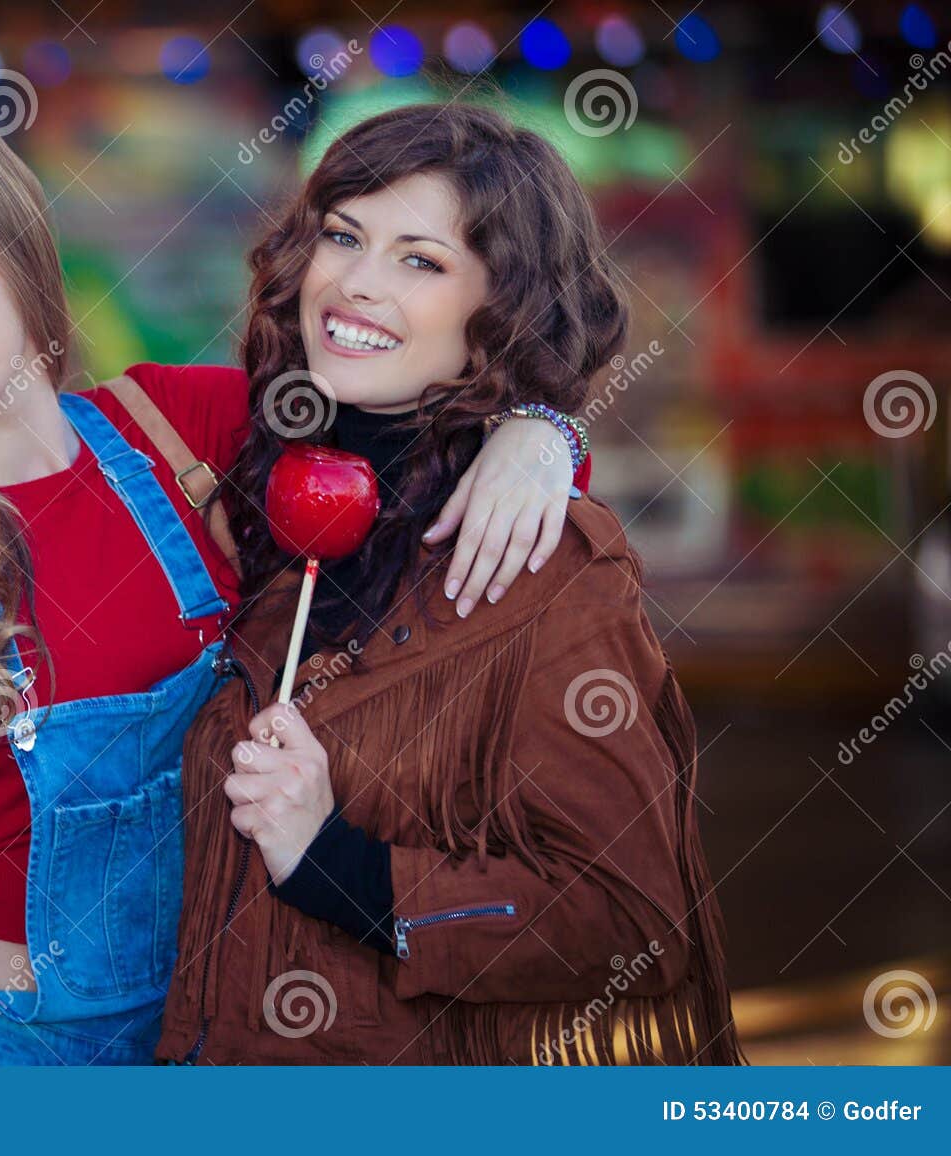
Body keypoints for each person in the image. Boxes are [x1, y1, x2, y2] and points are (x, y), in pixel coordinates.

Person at [0, 94, 589, 1065]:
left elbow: (417, 435)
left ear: (16, 251)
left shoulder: (174, 429)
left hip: (204, 1039)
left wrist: (540, 435)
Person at [156, 102, 745, 1065]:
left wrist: (336, 865)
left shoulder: (548, 565)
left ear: (499, 312)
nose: (355, 283)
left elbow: (627, 916)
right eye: (344, 237)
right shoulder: (246, 478)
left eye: (420, 260)